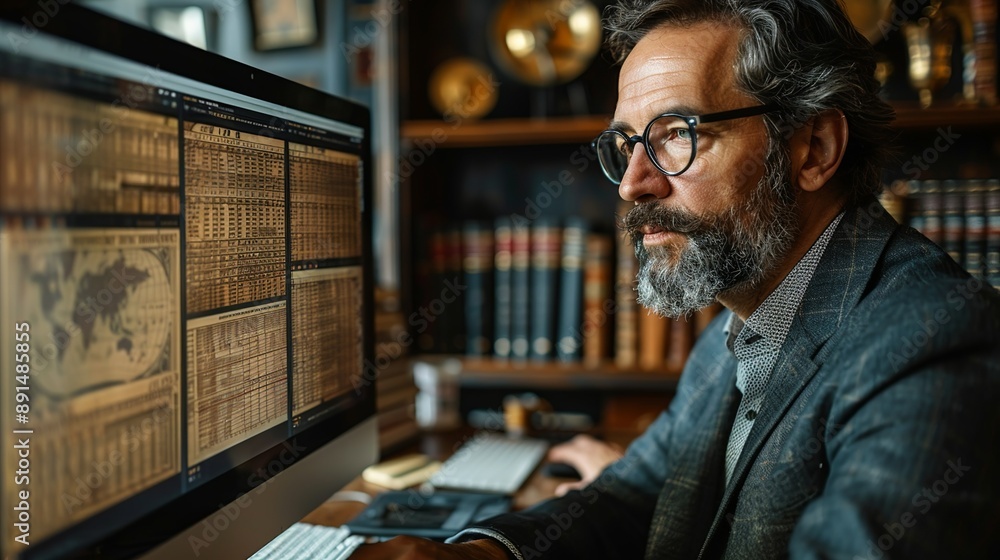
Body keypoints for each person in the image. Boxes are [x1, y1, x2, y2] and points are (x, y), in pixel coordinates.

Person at [352, 0, 1000, 558]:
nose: (634, 185)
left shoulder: (929, 342)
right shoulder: (741, 325)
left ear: (814, 149)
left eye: (677, 136)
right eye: (627, 144)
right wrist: (480, 556)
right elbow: (637, 494)